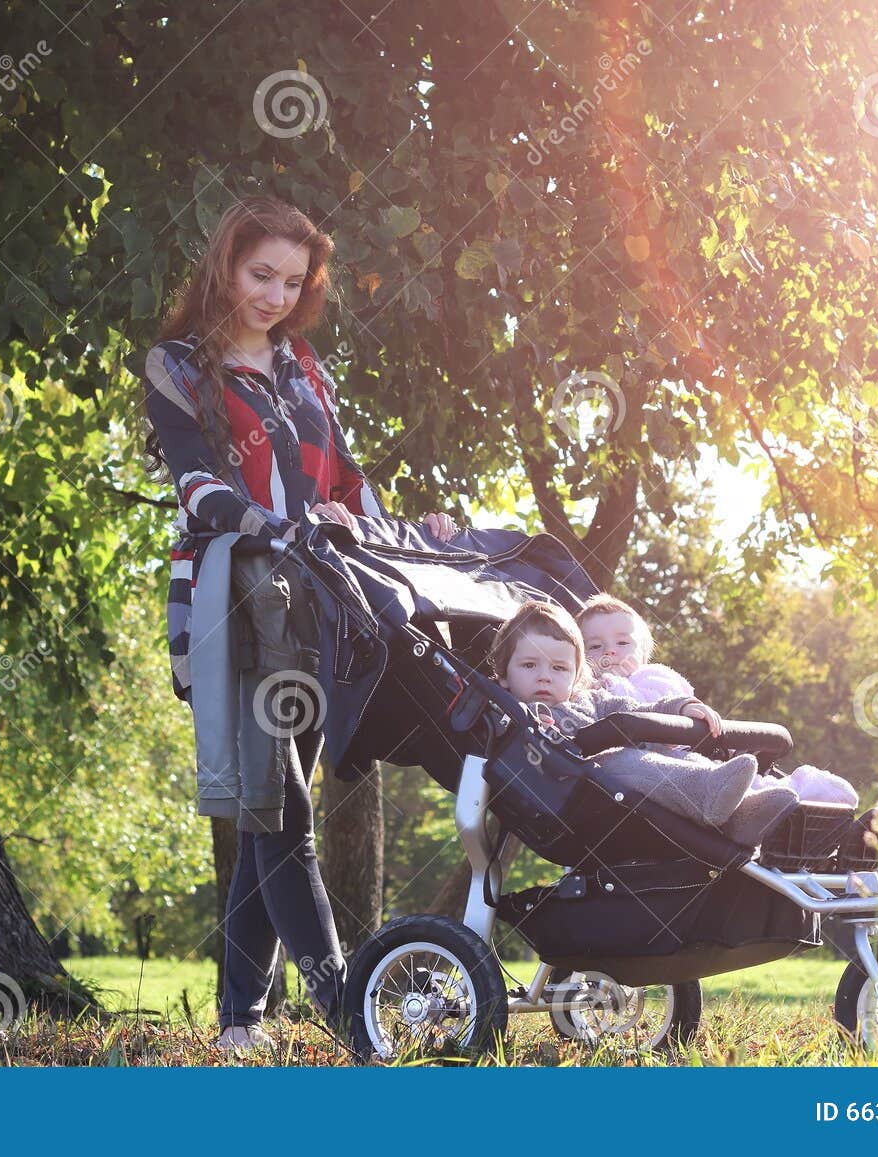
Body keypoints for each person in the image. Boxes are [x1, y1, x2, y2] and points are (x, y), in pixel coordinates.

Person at [139, 194, 458, 1054]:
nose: (277, 295)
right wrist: (278, 525)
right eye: (260, 275)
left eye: (293, 280)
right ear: (224, 266)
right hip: (236, 603)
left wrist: (399, 534)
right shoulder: (177, 363)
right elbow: (198, 486)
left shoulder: (303, 365)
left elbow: (346, 479)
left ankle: (240, 1022)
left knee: (265, 822)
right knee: (283, 818)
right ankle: (350, 1011)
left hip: (321, 603)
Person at [488, 600, 798, 845]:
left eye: (558, 668)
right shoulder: (512, 716)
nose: (544, 675)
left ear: (575, 676)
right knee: (624, 760)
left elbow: (642, 709)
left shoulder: (591, 701)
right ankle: (710, 793)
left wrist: (682, 706)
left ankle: (742, 813)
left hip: (635, 781)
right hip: (589, 789)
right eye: (529, 665)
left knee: (680, 759)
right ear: (502, 675)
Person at [576, 595, 858, 807]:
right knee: (735, 788)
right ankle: (784, 805)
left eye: (622, 643)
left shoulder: (652, 676)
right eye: (596, 646)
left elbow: (660, 710)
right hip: (657, 774)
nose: (610, 652)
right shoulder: (588, 696)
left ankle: (812, 796)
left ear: (644, 652)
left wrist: (619, 683)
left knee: (743, 780)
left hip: (687, 755)